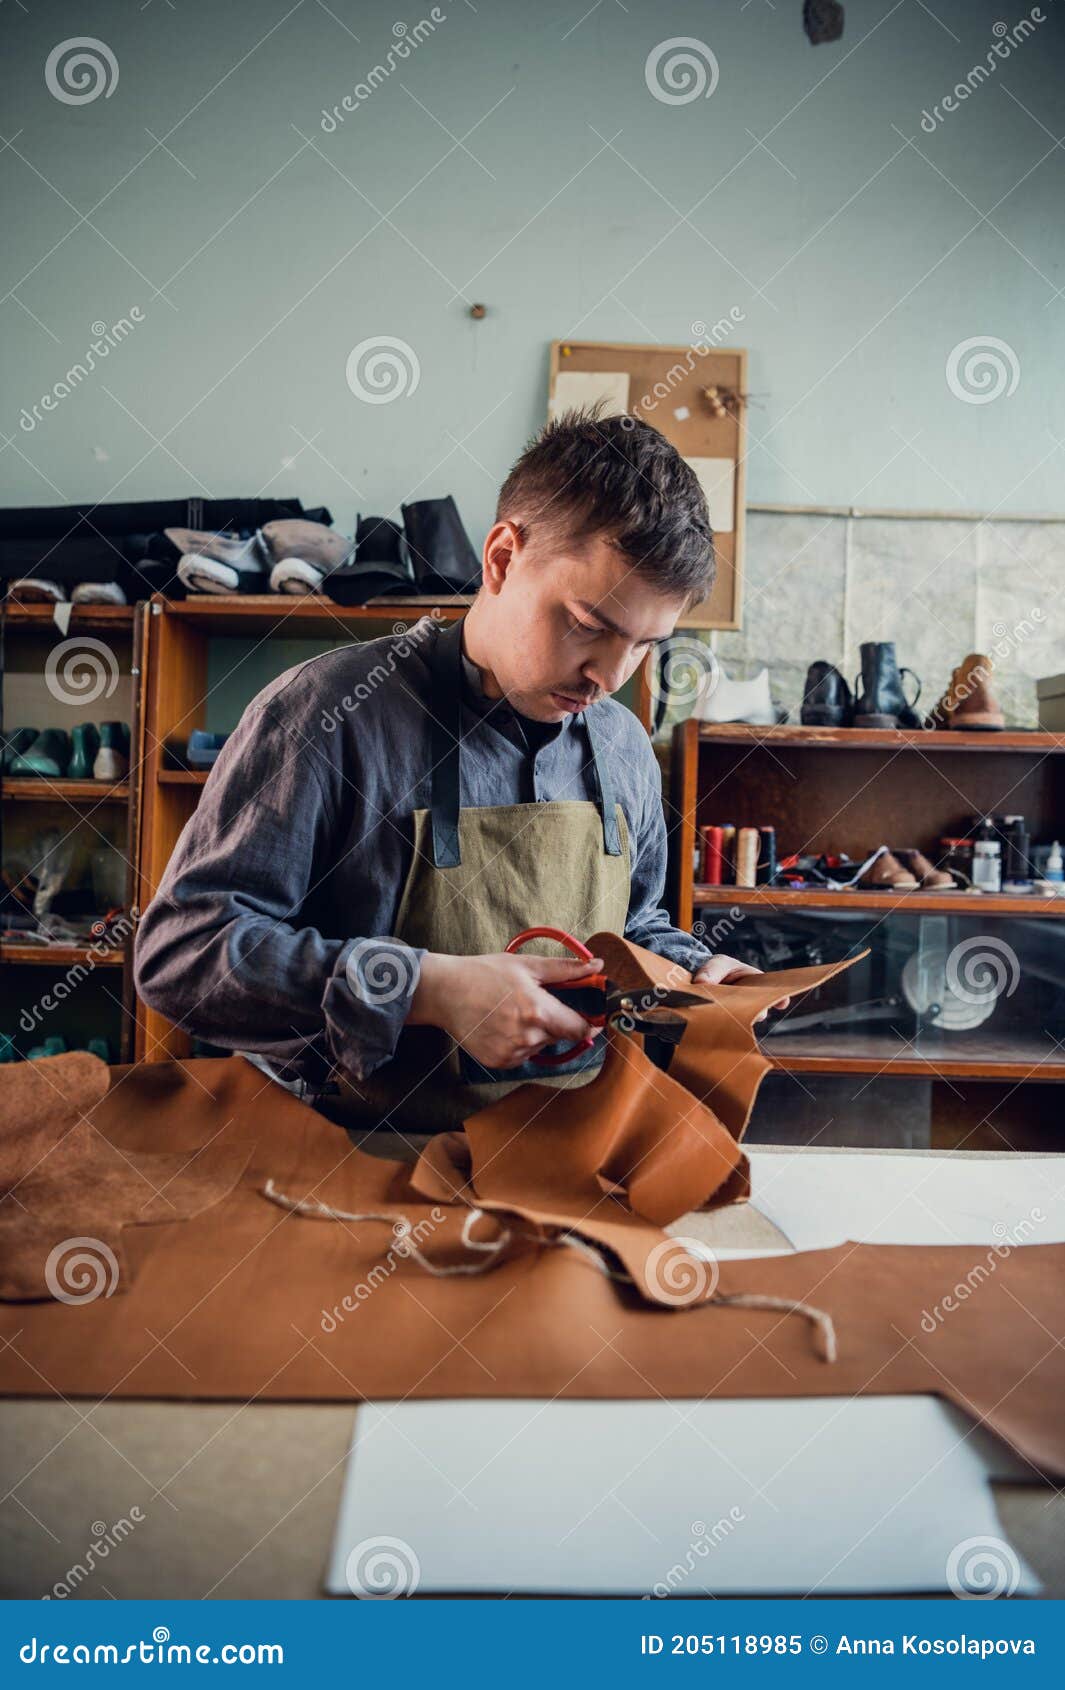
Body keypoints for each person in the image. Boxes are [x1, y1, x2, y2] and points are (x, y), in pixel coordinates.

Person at [135, 410, 786, 1130]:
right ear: (502, 558)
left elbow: (635, 923)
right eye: (589, 625)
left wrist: (695, 975)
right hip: (356, 1163)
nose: (608, 674)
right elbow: (181, 954)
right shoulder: (326, 716)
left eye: (644, 644)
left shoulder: (623, 742)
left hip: (566, 1157)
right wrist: (424, 988)